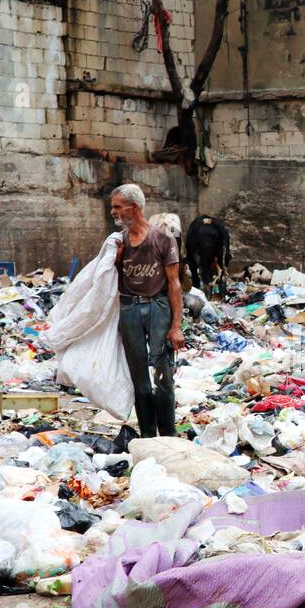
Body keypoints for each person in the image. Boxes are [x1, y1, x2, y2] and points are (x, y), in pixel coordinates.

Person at [111, 183, 185, 437]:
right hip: (129, 309)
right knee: (139, 378)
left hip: (158, 308)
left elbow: (175, 285)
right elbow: (110, 282)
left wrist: (176, 327)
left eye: (118, 207)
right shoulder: (118, 242)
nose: (113, 212)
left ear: (134, 207)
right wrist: (118, 261)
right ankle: (147, 436)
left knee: (162, 375)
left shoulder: (162, 239)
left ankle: (168, 437)